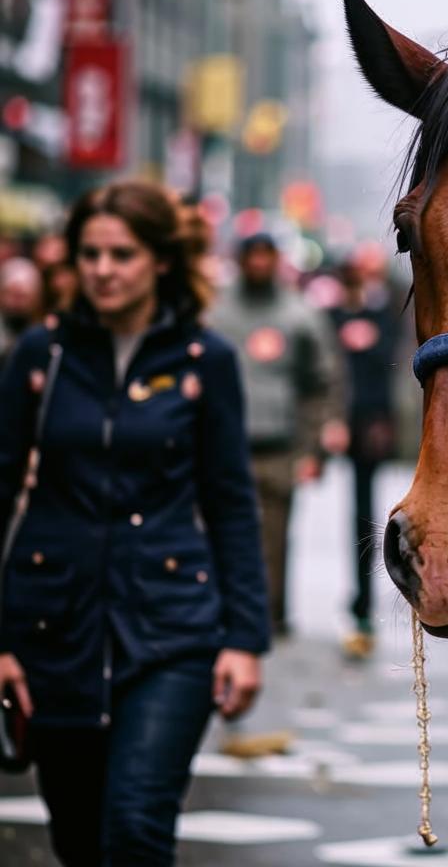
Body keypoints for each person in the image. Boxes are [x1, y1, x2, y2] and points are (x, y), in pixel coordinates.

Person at [0, 180, 269, 866]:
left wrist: (244, 638)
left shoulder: (207, 362)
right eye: (90, 254)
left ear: (160, 261)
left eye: (121, 254)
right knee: (81, 840)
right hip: (50, 629)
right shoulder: (42, 356)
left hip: (175, 626)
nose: (103, 269)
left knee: (135, 829)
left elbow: (233, 503)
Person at [209, 231, 347, 637]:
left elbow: (323, 381)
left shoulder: (300, 313)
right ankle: (223, 611)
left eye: (265, 256)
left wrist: (316, 446)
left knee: (274, 535)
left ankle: (269, 614)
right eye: (251, 255)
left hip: (280, 444)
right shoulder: (216, 311)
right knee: (221, 530)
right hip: (222, 444)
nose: (258, 263)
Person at [328, 243, 400, 658]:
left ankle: (364, 600)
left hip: (372, 420)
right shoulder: (334, 315)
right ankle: (359, 599)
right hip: (342, 419)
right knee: (354, 510)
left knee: (364, 509)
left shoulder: (382, 313)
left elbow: (387, 358)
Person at [0, 256, 43, 368]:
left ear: (37, 298)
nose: (15, 303)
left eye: (22, 296)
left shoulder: (45, 336)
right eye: (11, 294)